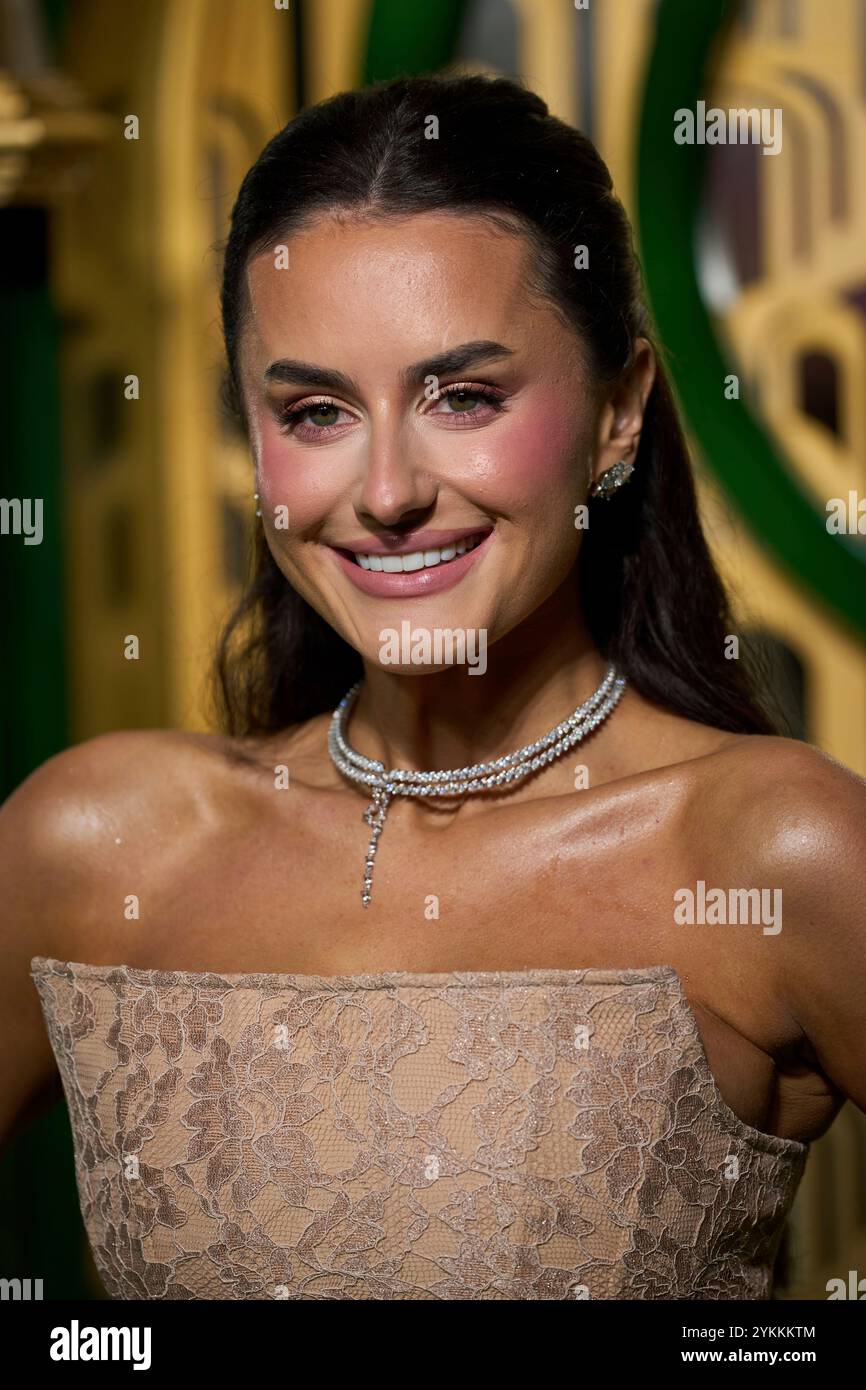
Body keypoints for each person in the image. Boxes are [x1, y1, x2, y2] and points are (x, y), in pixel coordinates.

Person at [2, 74, 864, 1301]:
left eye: (463, 397)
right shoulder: (99, 846)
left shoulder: (771, 852)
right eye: (314, 411)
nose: (390, 489)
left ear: (617, 413)